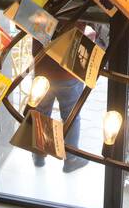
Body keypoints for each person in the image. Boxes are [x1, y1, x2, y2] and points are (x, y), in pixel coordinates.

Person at [30, 38, 88, 173]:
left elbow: (20, 25)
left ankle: (39, 155)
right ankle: (71, 159)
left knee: (41, 114)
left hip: (42, 66)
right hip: (68, 69)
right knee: (71, 117)